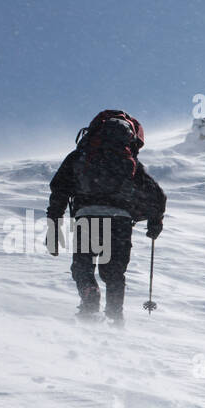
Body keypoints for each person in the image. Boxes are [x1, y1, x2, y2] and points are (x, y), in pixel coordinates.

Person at [45, 110, 165, 323]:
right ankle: (115, 318)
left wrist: (54, 230)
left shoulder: (80, 156)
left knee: (83, 267)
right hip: (120, 222)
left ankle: (90, 294)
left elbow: (59, 190)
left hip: (87, 217)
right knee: (114, 273)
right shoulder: (131, 163)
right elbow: (157, 195)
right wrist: (154, 224)